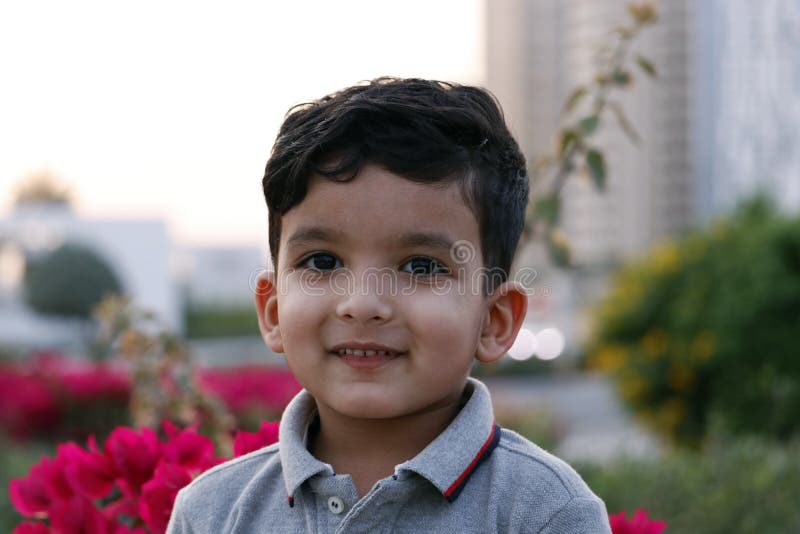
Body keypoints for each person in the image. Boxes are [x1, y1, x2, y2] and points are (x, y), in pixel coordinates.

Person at [167, 77, 611, 533]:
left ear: (493, 321)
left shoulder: (546, 513)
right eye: (322, 261)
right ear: (273, 310)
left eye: (420, 266)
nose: (361, 304)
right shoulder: (212, 513)